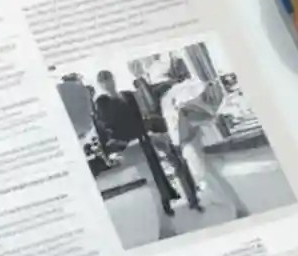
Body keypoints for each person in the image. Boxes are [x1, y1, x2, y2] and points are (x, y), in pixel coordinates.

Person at [167, 61, 251, 220]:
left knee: (204, 175)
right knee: (208, 175)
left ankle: (233, 205)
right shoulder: (185, 94)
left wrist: (187, 117)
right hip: (189, 139)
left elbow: (199, 116)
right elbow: (204, 116)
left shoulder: (184, 95)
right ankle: (236, 205)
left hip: (189, 140)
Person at [94, 69, 180, 215]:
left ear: (113, 79)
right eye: (104, 81)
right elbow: (106, 125)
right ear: (100, 85)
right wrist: (114, 147)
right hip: (128, 145)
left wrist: (148, 134)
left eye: (108, 79)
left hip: (142, 138)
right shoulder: (102, 103)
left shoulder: (127, 96)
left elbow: (138, 118)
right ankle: (158, 206)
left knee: (156, 171)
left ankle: (165, 203)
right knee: (147, 176)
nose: (107, 83)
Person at [131, 59, 204, 212]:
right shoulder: (154, 89)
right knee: (180, 165)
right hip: (164, 131)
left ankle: (192, 197)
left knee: (179, 165)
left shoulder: (151, 90)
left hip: (159, 132)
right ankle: (193, 198)